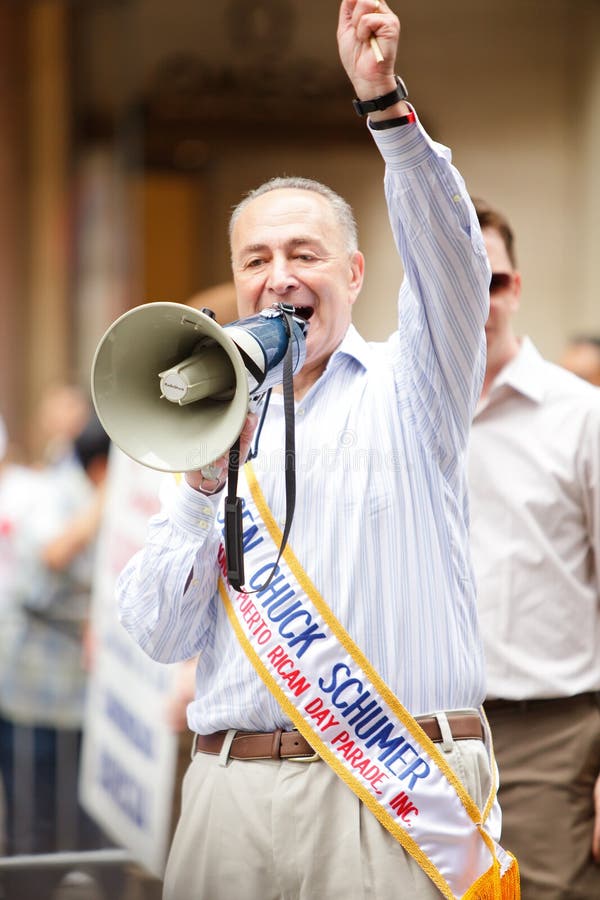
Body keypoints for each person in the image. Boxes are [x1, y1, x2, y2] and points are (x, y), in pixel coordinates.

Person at [117, 2, 519, 898]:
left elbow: (454, 262)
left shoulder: (415, 389)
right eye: (257, 258)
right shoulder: (210, 418)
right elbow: (154, 630)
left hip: (391, 796)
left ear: (354, 273)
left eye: (306, 252)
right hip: (233, 794)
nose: (279, 276)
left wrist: (386, 111)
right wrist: (197, 485)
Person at [467, 198, 600, 898]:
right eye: (454, 272)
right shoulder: (391, 417)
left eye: (490, 279)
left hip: (547, 737)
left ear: (514, 287)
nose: (476, 298)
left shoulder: (580, 418)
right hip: (406, 734)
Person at [0, 411, 126, 900]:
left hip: (80, 700)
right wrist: (109, 497)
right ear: (101, 467)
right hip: (33, 700)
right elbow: (54, 552)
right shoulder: (51, 493)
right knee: (34, 829)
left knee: (84, 824)